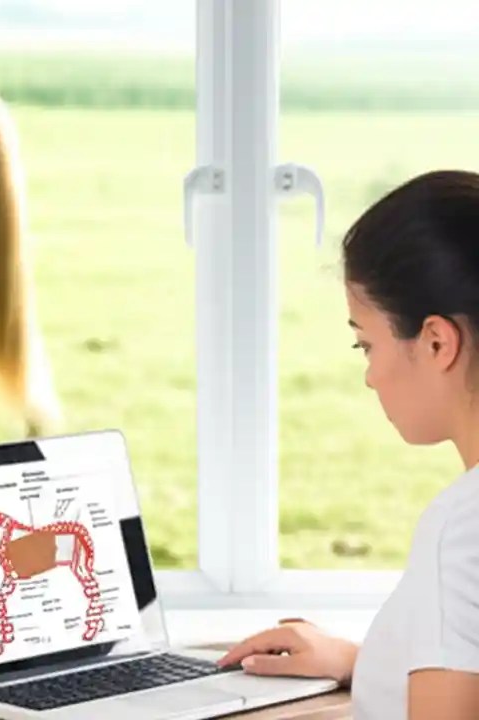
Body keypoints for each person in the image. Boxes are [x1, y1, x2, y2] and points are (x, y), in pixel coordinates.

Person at [216, 169, 479, 718]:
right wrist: (371, 662)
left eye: (366, 344)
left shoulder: (461, 529)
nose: (370, 377)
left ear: (436, 342)